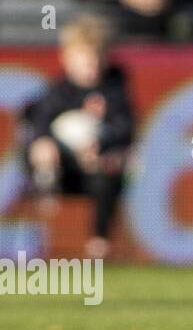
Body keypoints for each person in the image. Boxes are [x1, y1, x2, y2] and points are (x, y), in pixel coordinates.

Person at [22, 16, 134, 258]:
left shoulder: (114, 90)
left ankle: (99, 242)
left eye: (96, 58)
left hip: (96, 166)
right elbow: (36, 119)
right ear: (68, 58)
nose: (91, 65)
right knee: (38, 149)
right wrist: (44, 142)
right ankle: (44, 198)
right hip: (63, 165)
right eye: (85, 59)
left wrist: (102, 145)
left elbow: (126, 127)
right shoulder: (58, 92)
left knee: (111, 172)